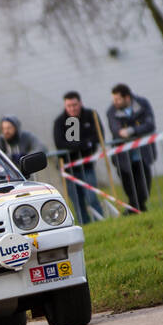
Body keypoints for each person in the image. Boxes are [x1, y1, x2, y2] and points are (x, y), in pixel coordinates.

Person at [52, 91, 106, 225]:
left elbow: (98, 136)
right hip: (69, 169)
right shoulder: (59, 122)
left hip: (87, 166)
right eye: (69, 106)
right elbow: (60, 143)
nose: (72, 108)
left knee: (92, 197)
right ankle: (85, 226)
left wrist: (81, 145)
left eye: (74, 105)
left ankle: (101, 222)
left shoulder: (90, 115)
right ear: (65, 106)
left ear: (80, 103)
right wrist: (82, 144)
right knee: (77, 201)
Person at [106, 83, 158, 212]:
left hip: (142, 153)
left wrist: (132, 130)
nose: (115, 102)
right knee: (129, 186)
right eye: (114, 99)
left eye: (118, 99)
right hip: (123, 156)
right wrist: (127, 131)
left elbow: (149, 124)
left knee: (144, 185)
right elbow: (116, 130)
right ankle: (137, 209)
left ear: (127, 98)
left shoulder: (142, 104)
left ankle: (136, 209)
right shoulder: (112, 111)